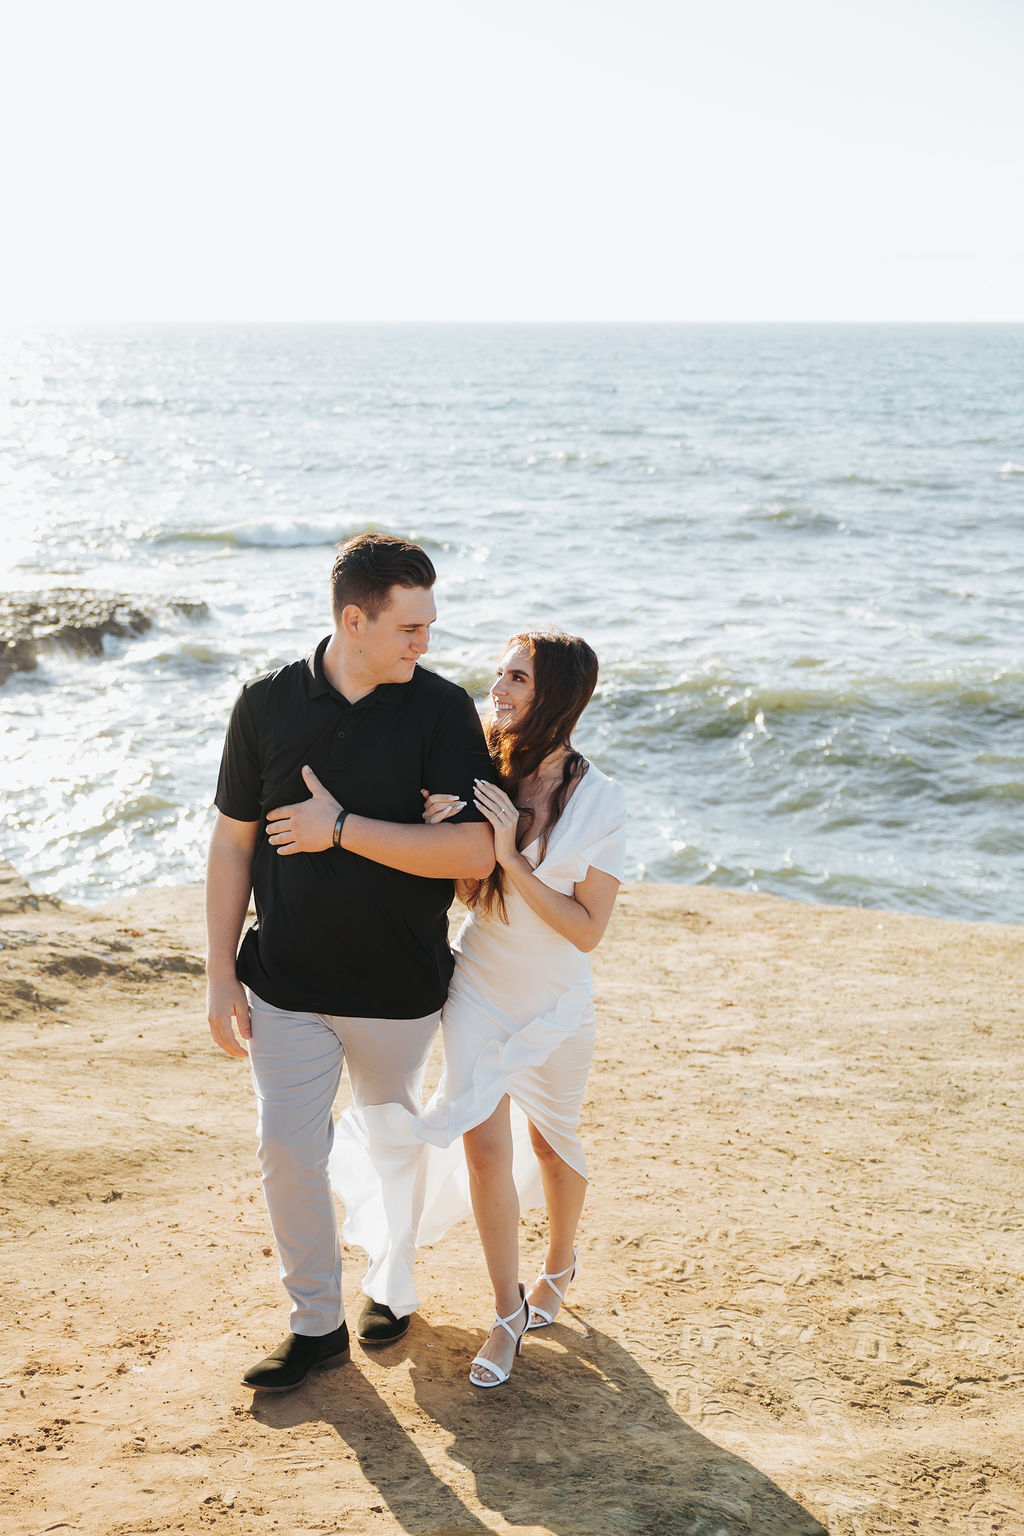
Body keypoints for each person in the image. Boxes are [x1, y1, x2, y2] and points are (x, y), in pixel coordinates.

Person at [205, 532, 495, 1394]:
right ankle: (314, 1325)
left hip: (397, 988)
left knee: (393, 1143)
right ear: (354, 620)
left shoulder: (442, 710)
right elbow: (231, 845)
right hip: (285, 980)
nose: (425, 644)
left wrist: (342, 830)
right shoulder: (265, 704)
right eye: (410, 628)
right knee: (286, 1151)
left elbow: (476, 852)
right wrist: (220, 971)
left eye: (431, 626)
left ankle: (390, 1284)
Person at [337, 630, 626, 1388]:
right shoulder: (476, 770)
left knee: (553, 1144)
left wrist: (510, 855)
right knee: (482, 1146)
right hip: (478, 986)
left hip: (556, 1000)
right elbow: (469, 894)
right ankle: (506, 1313)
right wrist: (448, 836)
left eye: (518, 677)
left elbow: (587, 930)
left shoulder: (601, 801)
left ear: (557, 694)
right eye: (499, 672)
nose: (498, 687)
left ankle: (559, 1263)